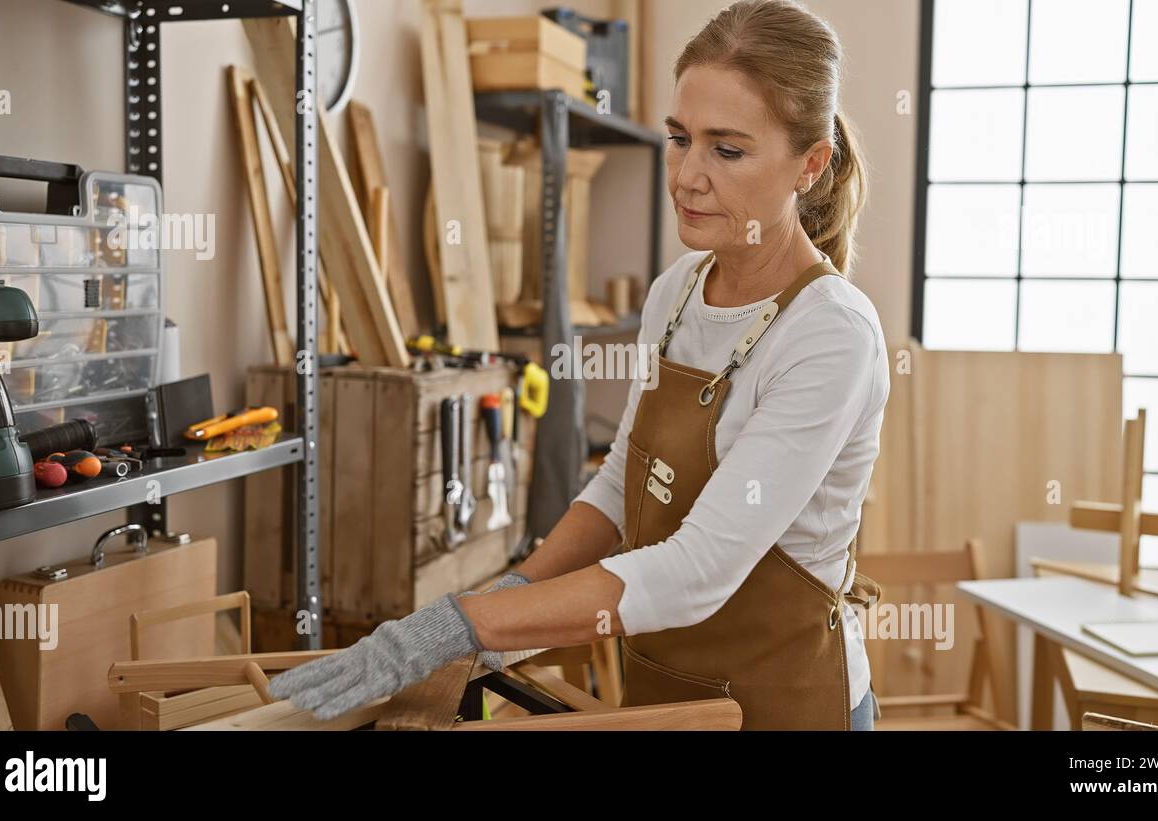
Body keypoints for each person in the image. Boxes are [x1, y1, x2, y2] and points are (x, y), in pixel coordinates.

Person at [269, 0, 889, 731]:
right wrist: (521, 582)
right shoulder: (678, 293)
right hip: (668, 697)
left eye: (727, 149)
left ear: (810, 164)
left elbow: (697, 571)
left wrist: (471, 622)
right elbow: (621, 479)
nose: (688, 175)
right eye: (679, 137)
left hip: (787, 706)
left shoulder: (829, 335)